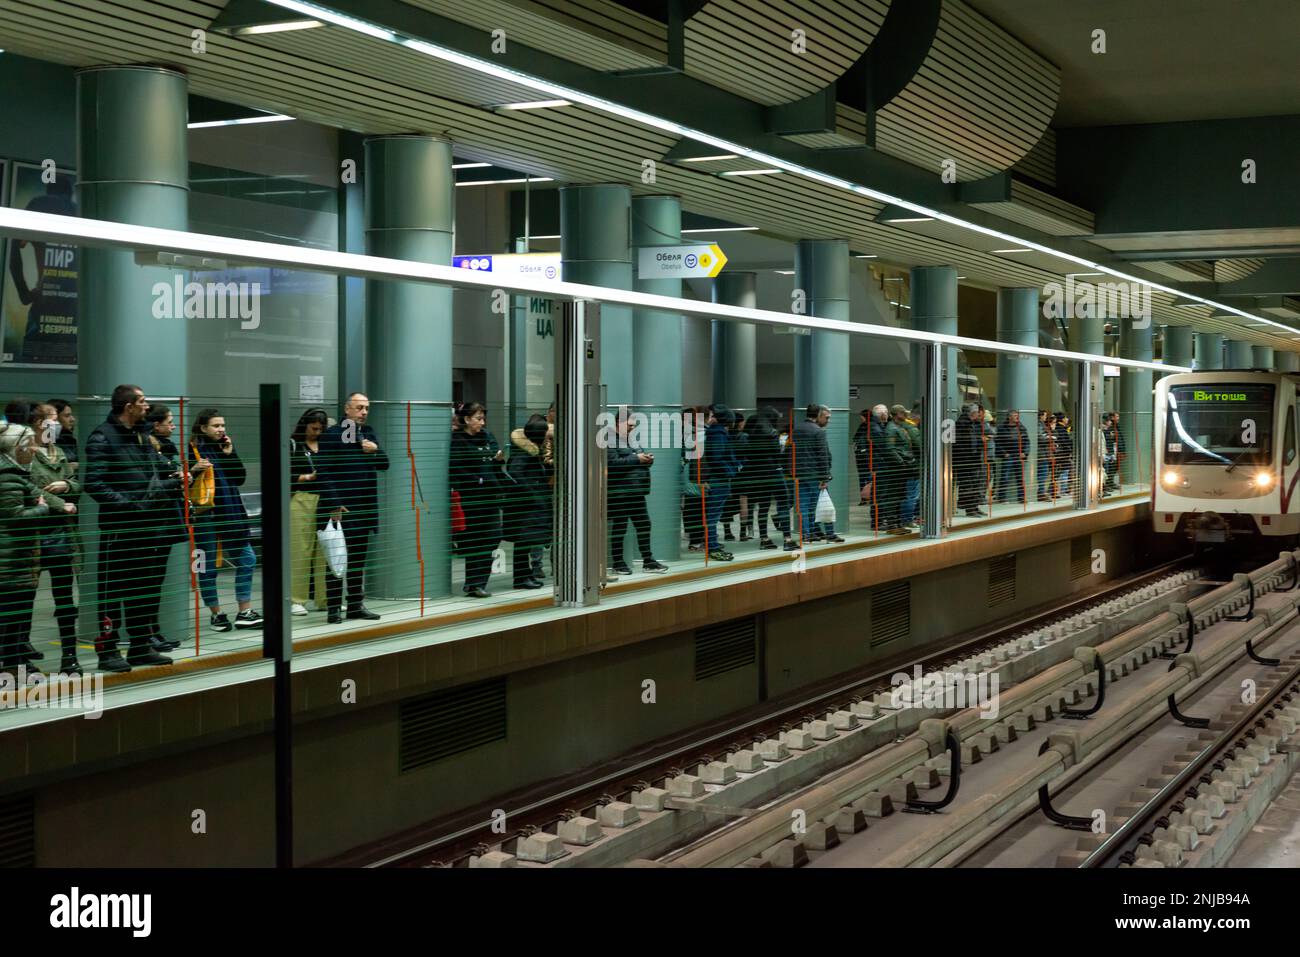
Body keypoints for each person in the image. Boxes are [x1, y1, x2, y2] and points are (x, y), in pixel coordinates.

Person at [84, 384, 186, 672]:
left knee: (144, 588)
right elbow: (94, 484)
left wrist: (173, 479)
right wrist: (130, 506)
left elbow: (152, 476)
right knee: (112, 592)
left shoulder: (142, 436)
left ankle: (140, 646)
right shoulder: (102, 436)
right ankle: (108, 651)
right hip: (120, 528)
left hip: (148, 527)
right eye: (142, 401)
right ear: (128, 406)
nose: (146, 406)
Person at [316, 392, 389, 619]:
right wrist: (334, 503)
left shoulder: (367, 433)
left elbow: (385, 464)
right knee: (337, 557)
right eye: (359, 408)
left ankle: (356, 605)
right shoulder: (332, 435)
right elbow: (324, 472)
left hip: (364, 507)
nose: (364, 412)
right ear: (347, 409)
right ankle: (334, 607)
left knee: (358, 559)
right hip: (340, 508)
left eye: (366, 408)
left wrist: (374, 450)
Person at [189, 409, 262, 632]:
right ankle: (216, 614)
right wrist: (193, 469)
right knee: (207, 567)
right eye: (216, 426)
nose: (221, 430)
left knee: (247, 558)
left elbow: (239, 478)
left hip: (231, 513)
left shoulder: (224, 448)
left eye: (223, 425)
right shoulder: (194, 450)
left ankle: (244, 611)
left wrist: (230, 453)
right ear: (203, 428)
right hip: (207, 515)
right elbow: (184, 484)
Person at [28, 405, 85, 672]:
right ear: (39, 423)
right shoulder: (26, 453)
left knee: (65, 599)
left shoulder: (59, 452)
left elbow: (76, 483)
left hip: (63, 533)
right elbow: (28, 489)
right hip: (35, 535)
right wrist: (58, 502)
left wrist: (67, 486)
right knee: (26, 598)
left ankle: (69, 657)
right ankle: (20, 653)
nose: (58, 425)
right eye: (52, 420)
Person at [0, 422, 51, 676]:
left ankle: (16, 666)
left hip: (16, 559)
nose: (34, 449)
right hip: (11, 561)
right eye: (29, 444)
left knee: (15, 617)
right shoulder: (8, 477)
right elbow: (16, 516)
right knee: (12, 618)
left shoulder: (16, 473)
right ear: (17, 448)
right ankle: (12, 669)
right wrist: (41, 508)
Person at [605, 407, 669, 576]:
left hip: (636, 491)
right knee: (620, 527)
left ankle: (648, 560)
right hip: (620, 492)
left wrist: (647, 459)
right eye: (630, 425)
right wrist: (637, 459)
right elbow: (612, 464)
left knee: (644, 524)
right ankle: (618, 562)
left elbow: (635, 458)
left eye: (634, 425)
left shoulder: (631, 440)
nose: (632, 428)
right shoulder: (609, 440)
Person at [449, 402, 503, 598]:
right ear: (466, 419)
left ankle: (479, 581)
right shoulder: (458, 439)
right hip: (470, 498)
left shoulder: (487, 436)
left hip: (490, 495)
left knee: (492, 537)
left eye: (483, 418)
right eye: (478, 418)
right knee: (474, 540)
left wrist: (493, 458)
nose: (482, 422)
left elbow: (495, 456)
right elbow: (456, 467)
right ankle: (473, 584)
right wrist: (479, 475)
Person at [504, 414, 554, 589]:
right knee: (522, 543)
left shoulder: (531, 451)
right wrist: (533, 494)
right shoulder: (525, 454)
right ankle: (521, 578)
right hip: (525, 507)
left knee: (525, 543)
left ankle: (525, 576)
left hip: (528, 506)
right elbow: (516, 474)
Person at [289, 408, 330, 616]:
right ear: (304, 425)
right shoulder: (293, 445)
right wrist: (306, 477)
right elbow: (282, 474)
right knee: (301, 550)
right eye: (313, 428)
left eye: (321, 429)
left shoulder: (326, 444)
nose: (317, 432)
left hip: (324, 499)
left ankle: (323, 599)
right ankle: (297, 599)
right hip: (302, 498)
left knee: (324, 550)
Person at [744, 407, 796, 551]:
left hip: (758, 473)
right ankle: (787, 539)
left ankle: (764, 539)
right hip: (774, 471)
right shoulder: (772, 433)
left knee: (763, 506)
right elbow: (777, 455)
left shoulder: (751, 434)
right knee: (784, 503)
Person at [792, 403, 843, 543]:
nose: (828, 420)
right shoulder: (818, 431)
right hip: (815, 475)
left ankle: (807, 534)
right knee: (822, 504)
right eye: (826, 417)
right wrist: (824, 477)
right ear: (818, 415)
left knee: (804, 506)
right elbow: (823, 455)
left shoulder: (797, 429)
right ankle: (829, 533)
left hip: (800, 474)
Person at [702, 405, 739, 560]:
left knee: (713, 515)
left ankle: (713, 545)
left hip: (719, 478)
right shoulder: (718, 434)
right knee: (713, 515)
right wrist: (731, 470)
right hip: (719, 479)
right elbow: (717, 458)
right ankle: (713, 547)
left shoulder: (717, 433)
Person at [883, 404, 917, 531]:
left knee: (899, 495)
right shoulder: (892, 429)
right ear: (898, 414)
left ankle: (897, 523)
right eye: (903, 413)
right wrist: (901, 462)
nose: (906, 415)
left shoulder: (899, 427)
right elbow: (890, 448)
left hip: (903, 466)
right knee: (894, 495)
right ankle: (893, 523)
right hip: (897, 467)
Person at [954, 403, 986, 517]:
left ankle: (974, 507)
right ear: (973, 413)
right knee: (968, 485)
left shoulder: (973, 424)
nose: (979, 414)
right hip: (966, 461)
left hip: (973, 460)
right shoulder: (961, 425)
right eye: (977, 412)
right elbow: (959, 444)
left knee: (975, 484)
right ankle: (970, 509)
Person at [995, 410, 1028, 505]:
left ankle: (1021, 498)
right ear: (1009, 417)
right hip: (1008, 456)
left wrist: (1025, 452)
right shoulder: (1001, 428)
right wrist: (1003, 453)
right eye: (1014, 415)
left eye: (1017, 415)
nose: (1017, 417)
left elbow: (1027, 441)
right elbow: (997, 442)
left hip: (1019, 456)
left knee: (1020, 478)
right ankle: (1002, 498)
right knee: (1004, 477)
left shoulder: (1021, 428)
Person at [900, 405, 923, 526]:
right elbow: (919, 447)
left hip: (906, 466)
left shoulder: (902, 426)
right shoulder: (912, 429)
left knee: (907, 494)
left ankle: (907, 518)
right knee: (912, 495)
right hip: (913, 466)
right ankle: (908, 519)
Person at [47, 399, 79, 471]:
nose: (72, 419)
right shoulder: (46, 442)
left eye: (71, 415)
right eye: (67, 416)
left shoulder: (71, 440)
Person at [1054, 411, 1074, 497]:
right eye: (1066, 418)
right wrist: (1069, 450)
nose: (1067, 419)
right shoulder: (1061, 429)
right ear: (1062, 419)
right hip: (1063, 454)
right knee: (1064, 471)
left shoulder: (1062, 428)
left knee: (1064, 471)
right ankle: (1063, 489)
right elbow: (1064, 442)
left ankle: (1064, 489)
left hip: (1063, 453)